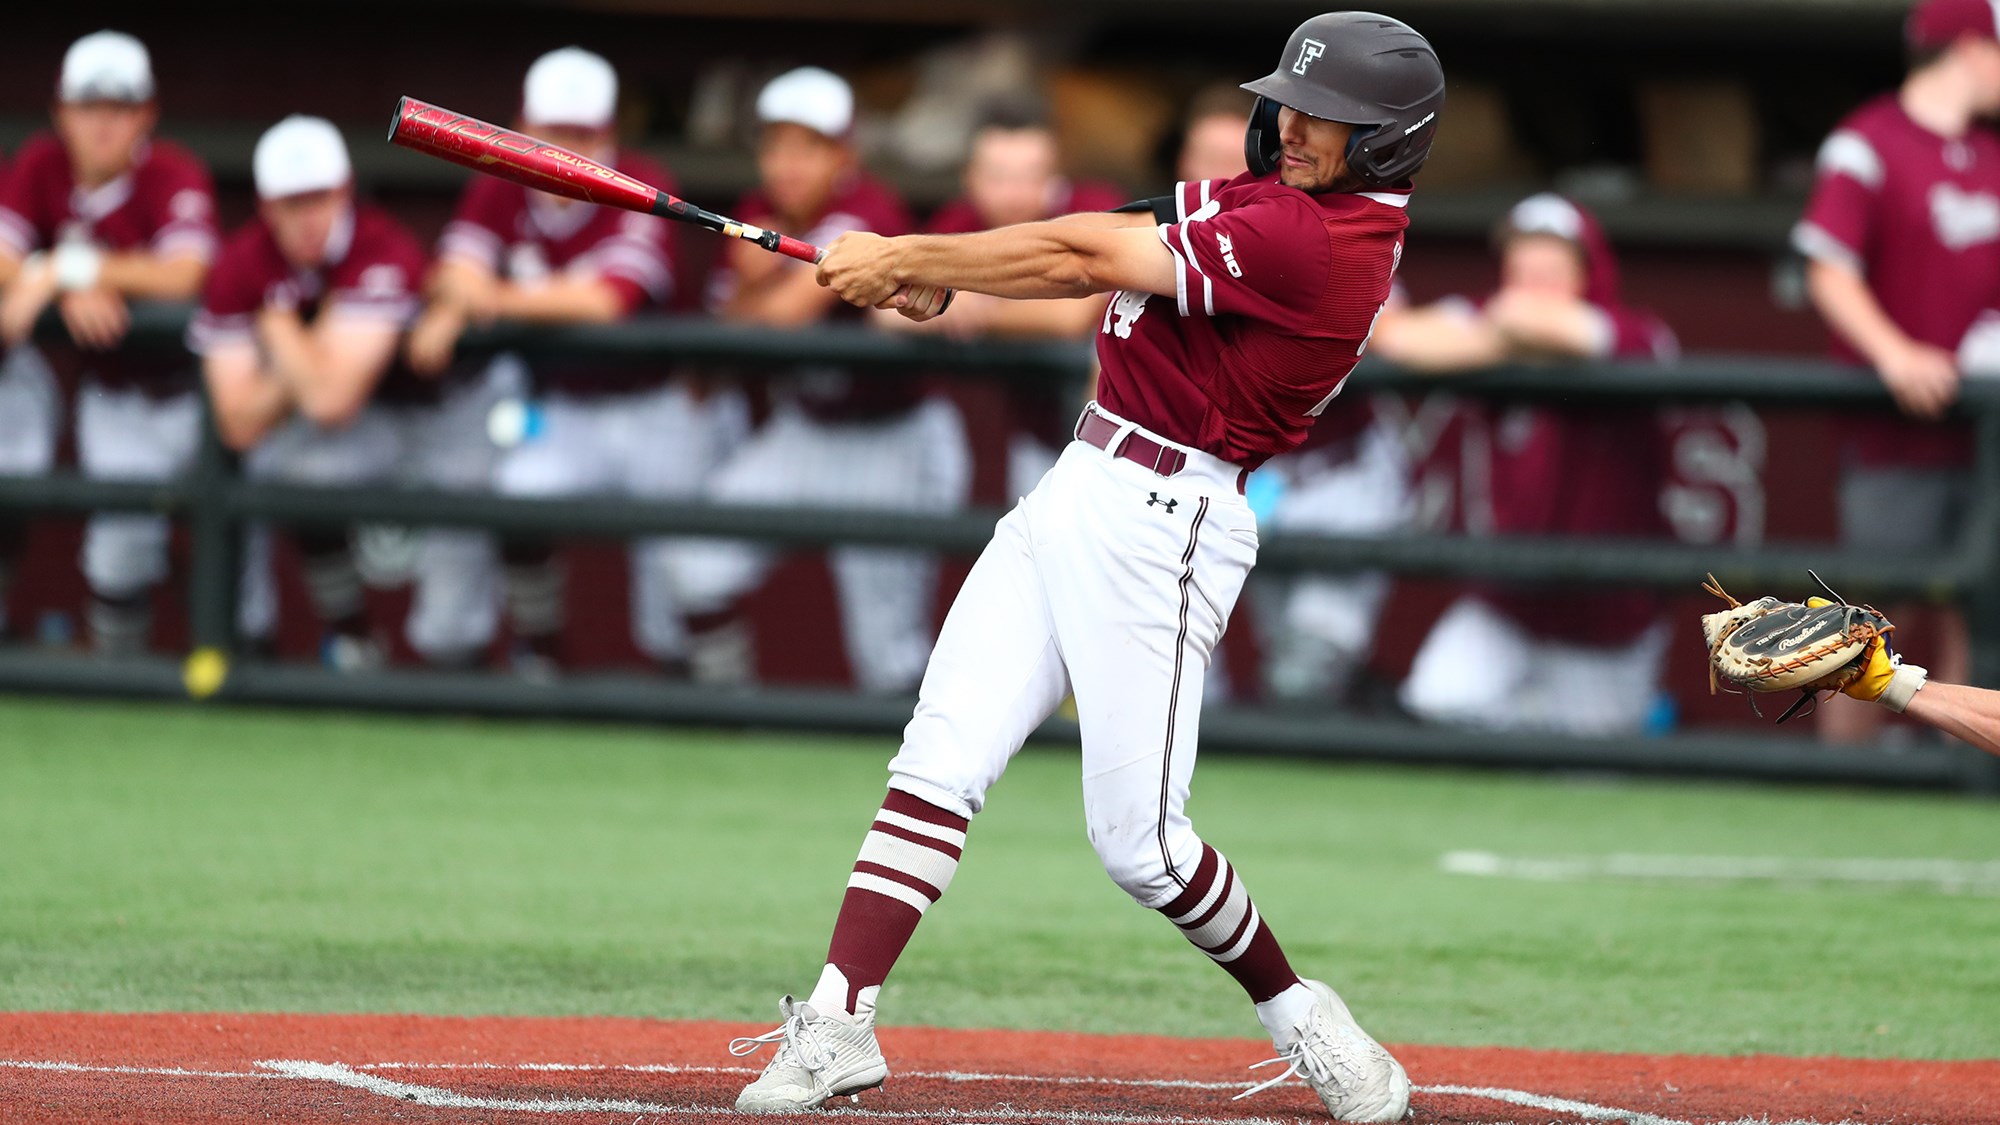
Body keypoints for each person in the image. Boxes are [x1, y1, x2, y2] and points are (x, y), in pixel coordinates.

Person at [728, 15, 1443, 1121]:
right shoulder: (1278, 201)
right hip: (1079, 479)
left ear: (1388, 138)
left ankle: (1303, 1016)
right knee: (939, 755)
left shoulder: (1317, 240)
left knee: (1141, 847)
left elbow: (1082, 256)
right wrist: (949, 284)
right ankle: (838, 1021)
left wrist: (908, 255)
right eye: (1293, 105)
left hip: (1168, 519)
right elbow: (1116, 230)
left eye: (1327, 118)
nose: (1293, 127)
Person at [405, 47, 716, 677]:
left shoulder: (643, 182)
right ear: (523, 126)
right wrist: (455, 296)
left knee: (685, 566)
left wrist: (478, 300)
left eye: (583, 133)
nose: (566, 150)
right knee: (520, 493)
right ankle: (540, 659)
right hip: (561, 406)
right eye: (553, 131)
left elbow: (605, 302)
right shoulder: (498, 182)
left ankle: (694, 689)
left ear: (609, 134)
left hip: (662, 403)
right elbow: (452, 269)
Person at [674, 67, 968, 693]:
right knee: (696, 565)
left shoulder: (869, 212)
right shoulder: (754, 213)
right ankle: (725, 718)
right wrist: (748, 295)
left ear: (845, 155)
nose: (789, 164)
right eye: (777, 146)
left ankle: (898, 753)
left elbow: (785, 316)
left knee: (886, 649)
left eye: (809, 148)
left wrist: (754, 290)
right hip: (805, 429)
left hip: (892, 434)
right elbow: (724, 336)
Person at [1372, 193, 1679, 736]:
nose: (1533, 284)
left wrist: (1481, 342)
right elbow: (1394, 335)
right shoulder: (1490, 315)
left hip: (1604, 613)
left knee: (1585, 768)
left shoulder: (1638, 334)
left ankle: (1547, 729)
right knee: (1439, 704)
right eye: (1522, 269)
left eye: (1551, 270)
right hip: (1510, 601)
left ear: (1587, 273)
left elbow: (1552, 327)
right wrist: (1501, 338)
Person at [1791, 0, 2000, 744]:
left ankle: (1963, 782)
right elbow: (1827, 267)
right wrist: (1896, 353)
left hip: (1986, 435)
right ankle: (1843, 786)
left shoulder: (1993, 154)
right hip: (1894, 434)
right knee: (1869, 622)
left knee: (1980, 615)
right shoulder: (1868, 141)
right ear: (1972, 48)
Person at [0, 30, 216, 656]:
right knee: (120, 548)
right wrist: (60, 279)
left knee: (239, 552)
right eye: (87, 107)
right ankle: (124, 687)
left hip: (202, 394)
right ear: (60, 113)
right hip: (118, 395)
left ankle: (251, 671)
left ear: (146, 115)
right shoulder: (41, 164)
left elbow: (184, 275)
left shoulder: (172, 170)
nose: (101, 124)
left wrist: (71, 267)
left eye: (118, 108)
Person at [189, 117, 430, 669]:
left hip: (428, 421)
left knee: (447, 623)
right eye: (291, 203)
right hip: (336, 434)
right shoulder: (241, 261)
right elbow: (238, 424)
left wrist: (281, 331)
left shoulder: (379, 242)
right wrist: (308, 344)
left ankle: (506, 669)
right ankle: (336, 640)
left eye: (319, 198)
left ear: (345, 190)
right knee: (285, 472)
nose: (307, 218)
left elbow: (330, 400)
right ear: (266, 206)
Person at [897, 105, 1125, 499]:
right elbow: (886, 313)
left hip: (1113, 444)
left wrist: (962, 302)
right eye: (999, 177)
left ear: (1056, 177)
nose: (1015, 193)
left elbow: (1069, 317)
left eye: (1030, 176)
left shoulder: (1094, 207)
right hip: (1020, 436)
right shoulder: (959, 222)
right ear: (970, 178)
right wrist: (948, 305)